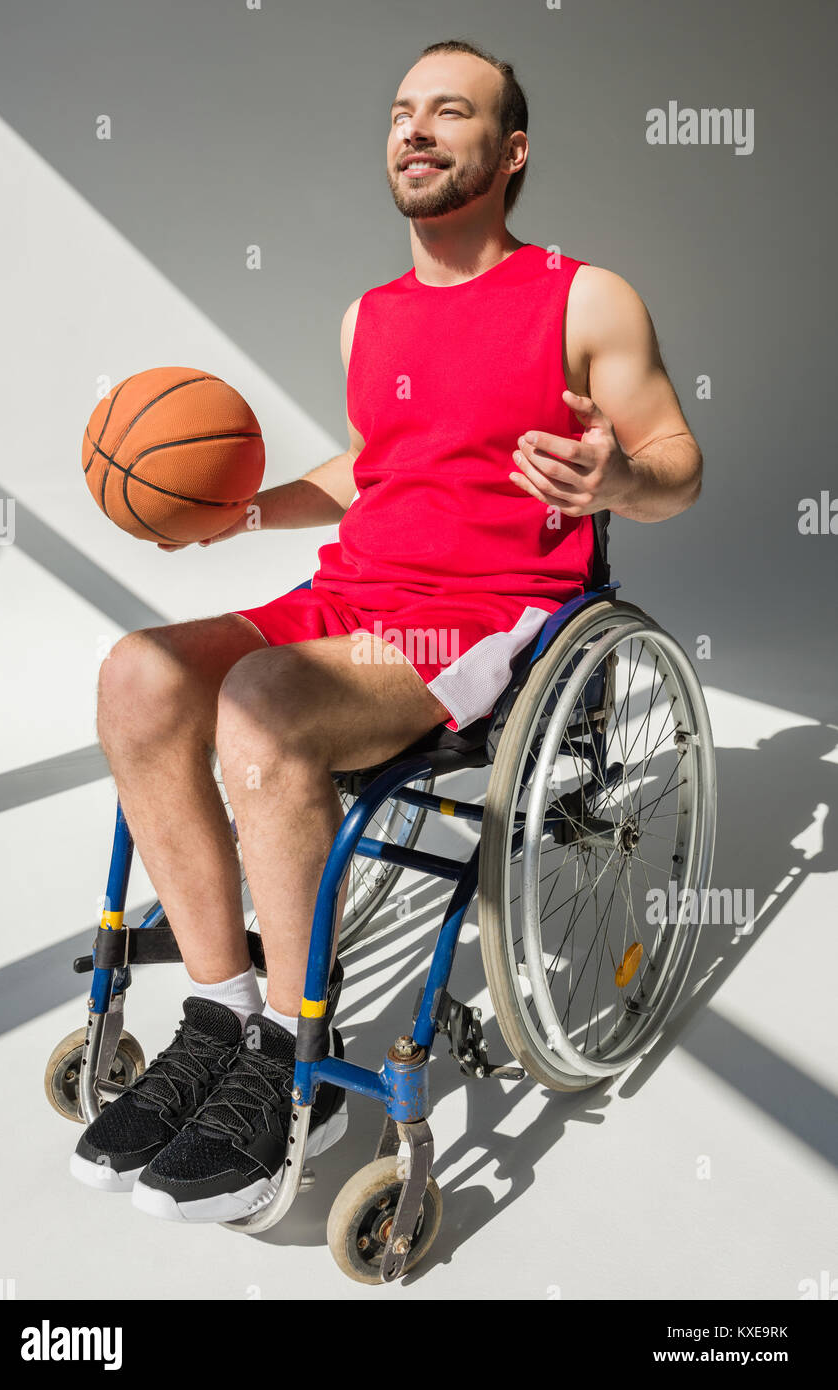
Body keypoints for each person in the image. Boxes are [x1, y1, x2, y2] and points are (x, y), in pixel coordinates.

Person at [71, 38, 703, 1222]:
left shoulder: (584, 296)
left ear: (510, 153)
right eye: (404, 111)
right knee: (137, 677)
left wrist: (618, 476)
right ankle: (226, 1014)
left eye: (450, 112)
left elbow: (678, 464)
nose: (413, 129)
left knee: (258, 701)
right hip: (353, 592)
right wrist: (251, 510)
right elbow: (378, 467)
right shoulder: (372, 318)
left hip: (485, 616)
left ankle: (298, 1065)